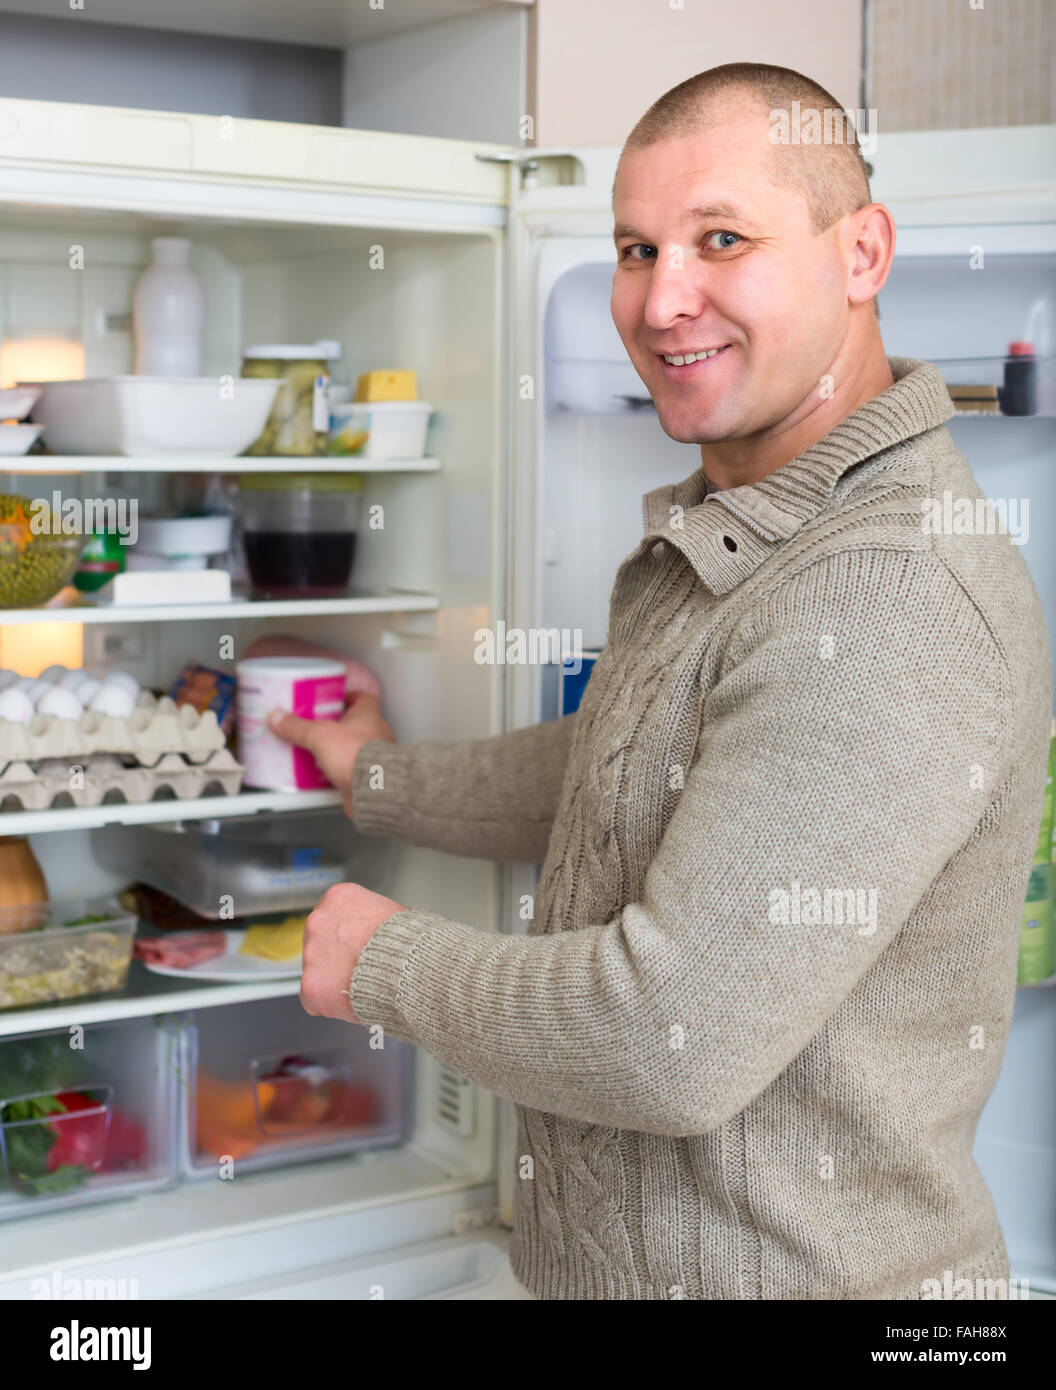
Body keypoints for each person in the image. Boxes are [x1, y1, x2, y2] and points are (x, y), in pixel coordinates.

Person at [270, 62, 1052, 1301]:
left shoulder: (887, 592)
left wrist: (384, 961)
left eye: (721, 239)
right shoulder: (747, 521)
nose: (661, 299)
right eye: (635, 249)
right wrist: (373, 775)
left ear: (863, 253)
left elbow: (666, 1034)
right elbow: (623, 761)